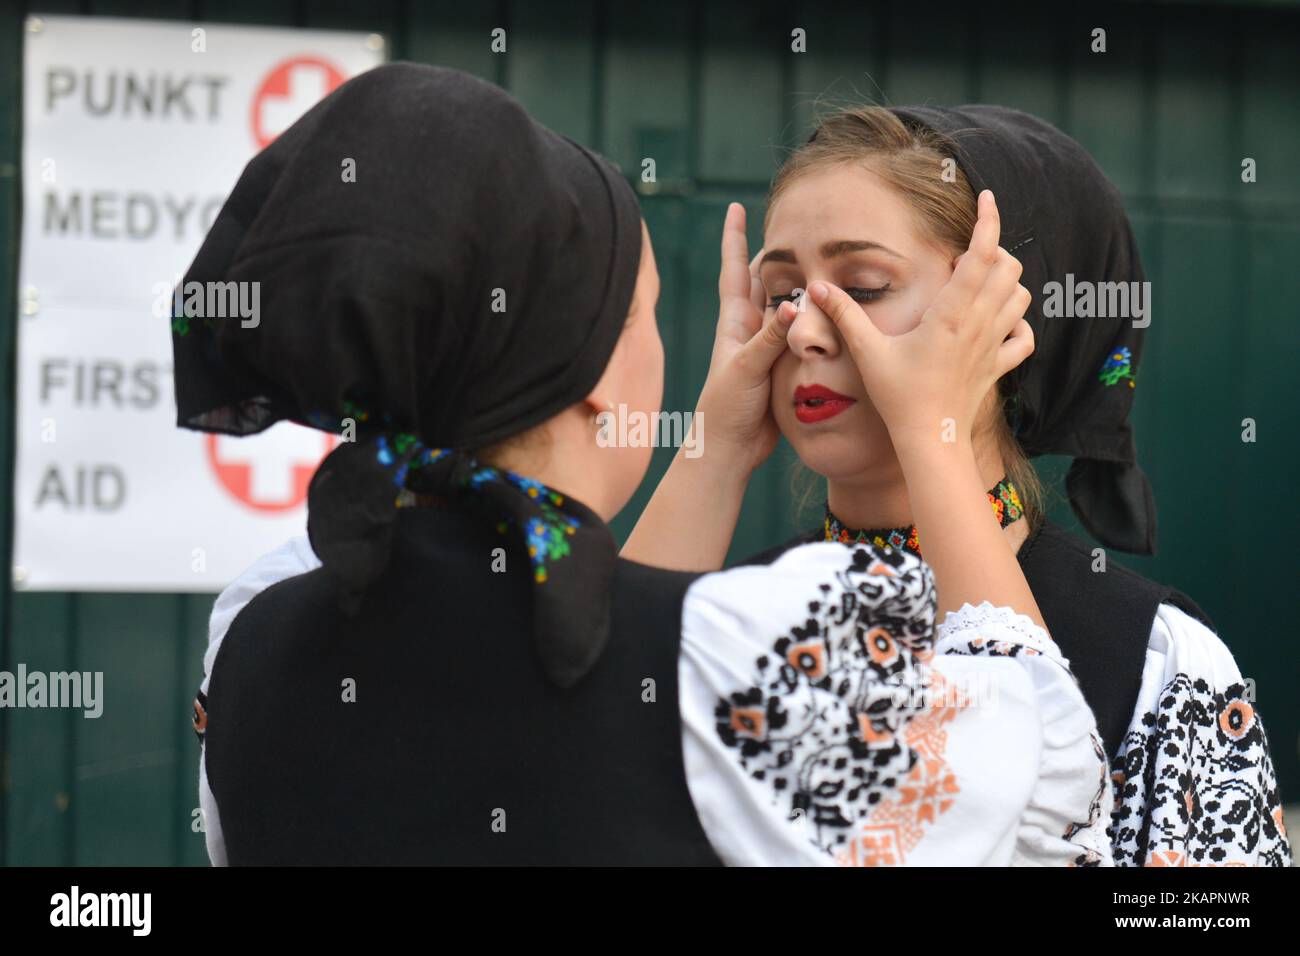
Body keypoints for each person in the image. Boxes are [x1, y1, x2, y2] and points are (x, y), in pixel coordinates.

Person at [180, 63, 1111, 866]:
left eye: (860, 290)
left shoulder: (257, 637)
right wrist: (938, 431)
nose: (797, 330)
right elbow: (1045, 782)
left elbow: (601, 678)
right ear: (589, 374)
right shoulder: (748, 657)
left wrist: (715, 451)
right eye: (644, 316)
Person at [623, 104, 1292, 867]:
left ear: (1006, 320)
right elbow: (578, 762)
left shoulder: (1155, 659)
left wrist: (930, 425)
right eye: (781, 291)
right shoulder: (735, 614)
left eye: (865, 286)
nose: (803, 330)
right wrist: (716, 443)